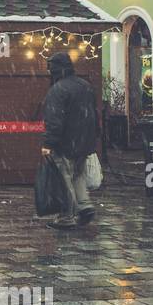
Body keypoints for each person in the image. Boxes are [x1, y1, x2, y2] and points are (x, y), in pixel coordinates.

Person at [41, 51, 98, 230]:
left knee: (63, 179)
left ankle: (66, 216)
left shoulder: (57, 90)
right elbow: (93, 115)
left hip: (65, 142)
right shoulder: (85, 85)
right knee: (77, 174)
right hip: (84, 141)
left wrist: (48, 143)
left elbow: (54, 121)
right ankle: (84, 205)